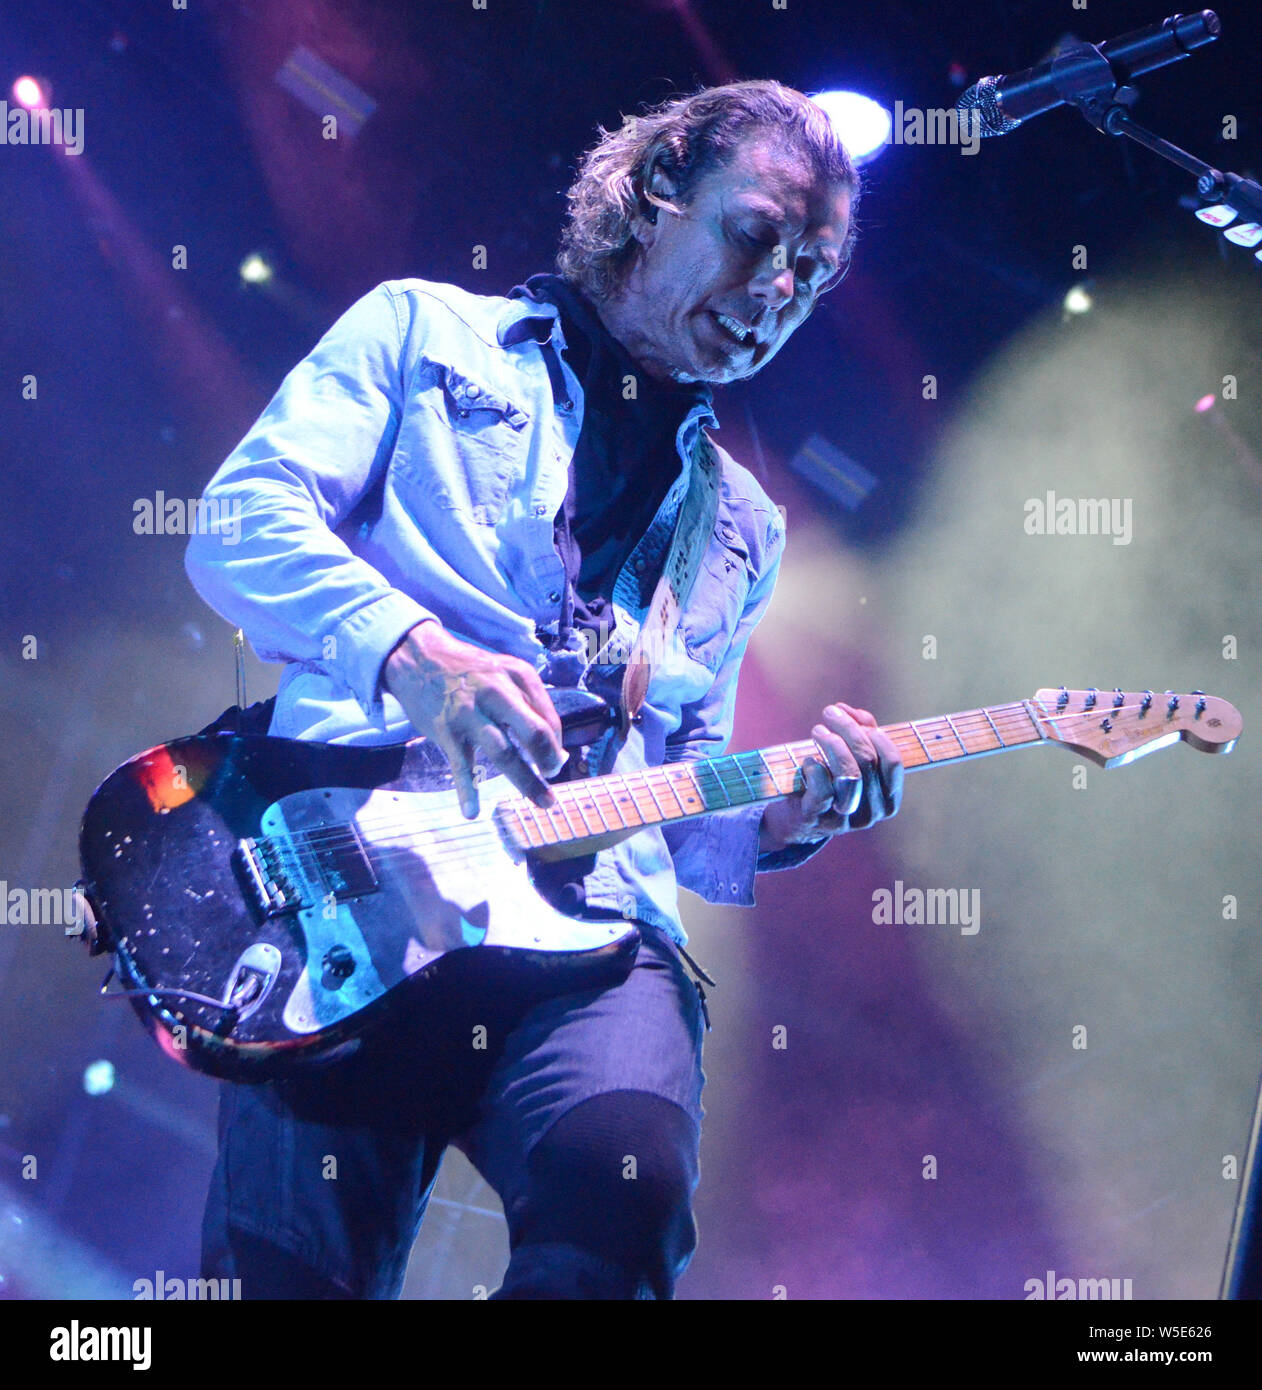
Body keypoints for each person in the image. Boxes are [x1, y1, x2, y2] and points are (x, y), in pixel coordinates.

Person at [185, 79, 903, 1300]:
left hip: (589, 938)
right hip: (348, 888)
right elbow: (238, 524)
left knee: (618, 1202)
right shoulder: (423, 333)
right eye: (755, 236)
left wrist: (784, 815)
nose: (780, 289)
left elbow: (682, 787)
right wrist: (412, 654)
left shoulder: (739, 524)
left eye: (814, 272)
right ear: (657, 185)